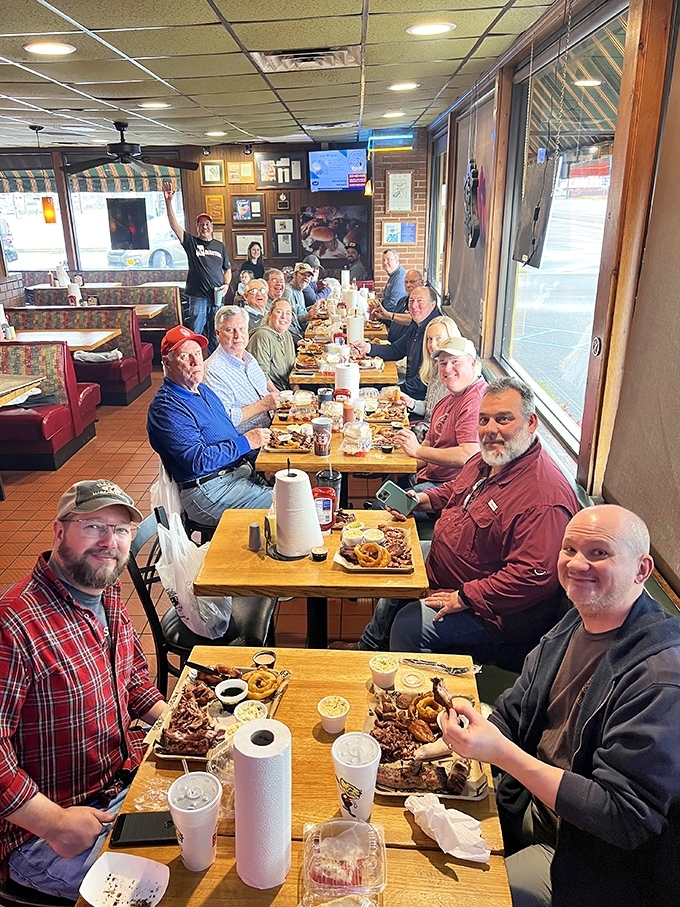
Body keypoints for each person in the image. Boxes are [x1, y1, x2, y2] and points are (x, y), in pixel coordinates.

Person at [441, 505, 680, 907]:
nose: (577, 564)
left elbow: (623, 816)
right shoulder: (578, 618)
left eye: (599, 553)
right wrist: (457, 738)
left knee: (460, 893)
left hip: (585, 858)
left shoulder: (660, 676)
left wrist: (501, 753)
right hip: (525, 800)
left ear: (642, 570)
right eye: (569, 549)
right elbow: (515, 710)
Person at [0, 480, 165, 900]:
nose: (110, 542)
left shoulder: (106, 593)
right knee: (176, 886)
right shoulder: (13, 624)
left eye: (121, 530)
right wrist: (54, 824)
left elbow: (131, 678)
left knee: (218, 822)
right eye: (94, 526)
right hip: (42, 833)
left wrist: (173, 722)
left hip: (120, 779)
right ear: (59, 531)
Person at [351, 377, 580, 662]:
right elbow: (457, 488)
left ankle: (406, 680)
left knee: (410, 626)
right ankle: (370, 648)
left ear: (531, 423)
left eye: (503, 419)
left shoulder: (543, 498)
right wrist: (421, 499)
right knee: (398, 565)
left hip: (493, 614)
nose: (490, 430)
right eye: (484, 420)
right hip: (451, 567)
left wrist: (465, 597)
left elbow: (532, 577)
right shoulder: (492, 458)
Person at [147, 326, 272, 526]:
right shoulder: (166, 408)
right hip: (209, 492)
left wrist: (261, 466)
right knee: (294, 503)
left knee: (299, 483)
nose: (196, 362)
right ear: (167, 362)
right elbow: (197, 461)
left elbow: (228, 434)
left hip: (238, 474)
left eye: (198, 353)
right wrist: (246, 442)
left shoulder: (203, 390)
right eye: (185, 356)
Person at [394, 336, 486, 490]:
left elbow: (468, 455)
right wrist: (395, 465)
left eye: (455, 361)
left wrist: (418, 450)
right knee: (385, 490)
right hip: (427, 476)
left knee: (384, 502)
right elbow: (428, 446)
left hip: (450, 488)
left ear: (473, 363)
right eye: (443, 363)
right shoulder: (446, 400)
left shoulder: (476, 401)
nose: (447, 369)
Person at [162, 181, 231, 353]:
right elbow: (174, 225)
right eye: (201, 224)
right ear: (197, 227)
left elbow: (227, 269)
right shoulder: (191, 242)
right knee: (195, 333)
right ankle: (194, 361)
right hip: (198, 297)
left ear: (212, 227)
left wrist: (226, 285)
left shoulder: (220, 246)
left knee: (216, 333)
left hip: (216, 297)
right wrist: (168, 202)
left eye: (207, 224)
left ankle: (215, 364)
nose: (204, 226)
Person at [352, 285, 441, 400]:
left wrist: (394, 390)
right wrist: (368, 348)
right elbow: (396, 350)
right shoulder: (417, 324)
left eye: (420, 301)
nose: (414, 305)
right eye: (411, 301)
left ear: (432, 305)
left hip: (421, 399)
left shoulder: (435, 330)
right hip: (410, 390)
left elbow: (424, 380)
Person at [203, 305, 280, 433]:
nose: (238, 335)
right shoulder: (212, 371)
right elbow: (224, 419)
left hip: (271, 427)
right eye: (230, 330)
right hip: (247, 440)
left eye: (242, 329)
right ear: (217, 333)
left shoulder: (248, 357)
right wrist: (263, 405)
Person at [401, 314, 462, 432]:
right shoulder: (435, 368)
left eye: (439, 338)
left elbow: (446, 427)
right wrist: (411, 403)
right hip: (425, 429)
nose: (432, 345)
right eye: (429, 339)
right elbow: (430, 409)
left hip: (434, 435)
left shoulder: (455, 379)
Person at [246, 298, 297, 391]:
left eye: (288, 313)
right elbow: (261, 377)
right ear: (269, 314)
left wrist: (297, 392)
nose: (284, 316)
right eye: (279, 312)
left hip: (287, 391)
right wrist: (280, 396)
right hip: (271, 394)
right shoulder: (261, 337)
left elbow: (292, 371)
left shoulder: (287, 334)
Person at [370, 268, 423, 343]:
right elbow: (393, 322)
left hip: (403, 347)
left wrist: (388, 315)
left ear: (422, 282)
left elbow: (413, 319)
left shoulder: (424, 304)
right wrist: (379, 315)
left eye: (412, 282)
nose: (408, 285)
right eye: (406, 282)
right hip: (390, 343)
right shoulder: (401, 301)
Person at [282, 261, 321, 342]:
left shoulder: (300, 290)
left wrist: (315, 306)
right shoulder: (288, 291)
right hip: (295, 337)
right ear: (294, 275)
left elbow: (300, 310)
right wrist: (306, 316)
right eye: (303, 274)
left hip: (303, 331)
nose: (306, 278)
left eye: (308, 276)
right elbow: (290, 320)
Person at [380, 248, 406, 312]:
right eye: (383, 260)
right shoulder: (393, 275)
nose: (385, 262)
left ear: (397, 261)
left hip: (393, 315)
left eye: (388, 259)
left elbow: (394, 304)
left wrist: (379, 309)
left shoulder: (400, 278)